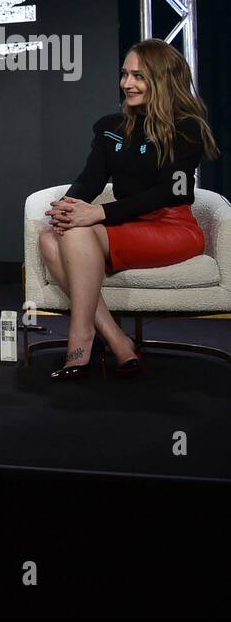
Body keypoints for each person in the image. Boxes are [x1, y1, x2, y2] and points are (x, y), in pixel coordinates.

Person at [39, 38, 219, 379]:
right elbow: (90, 181)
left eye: (138, 76)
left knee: (77, 233)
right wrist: (67, 206)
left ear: (163, 79)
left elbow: (170, 192)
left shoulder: (187, 128)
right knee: (50, 236)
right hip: (128, 226)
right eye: (124, 74)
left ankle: (79, 341)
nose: (127, 84)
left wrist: (98, 214)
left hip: (172, 228)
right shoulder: (110, 127)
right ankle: (117, 340)